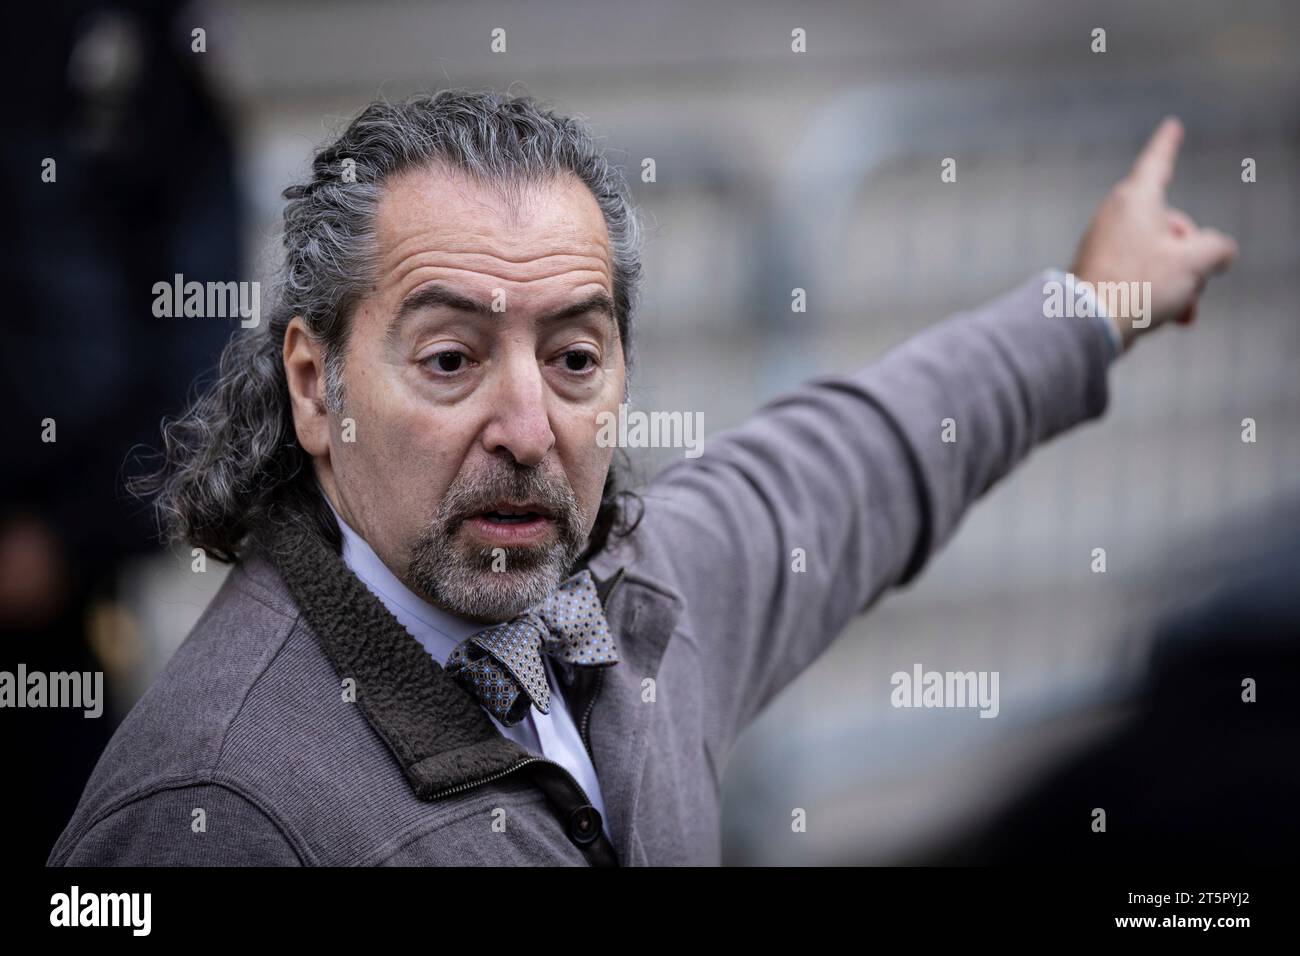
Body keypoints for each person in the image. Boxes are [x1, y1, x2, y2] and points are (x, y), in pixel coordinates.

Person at [48, 91, 1235, 866]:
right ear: (317, 385)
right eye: (453, 357)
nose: (527, 424)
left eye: (574, 355)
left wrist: (1095, 305)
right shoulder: (209, 808)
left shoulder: (637, 599)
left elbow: (869, 452)